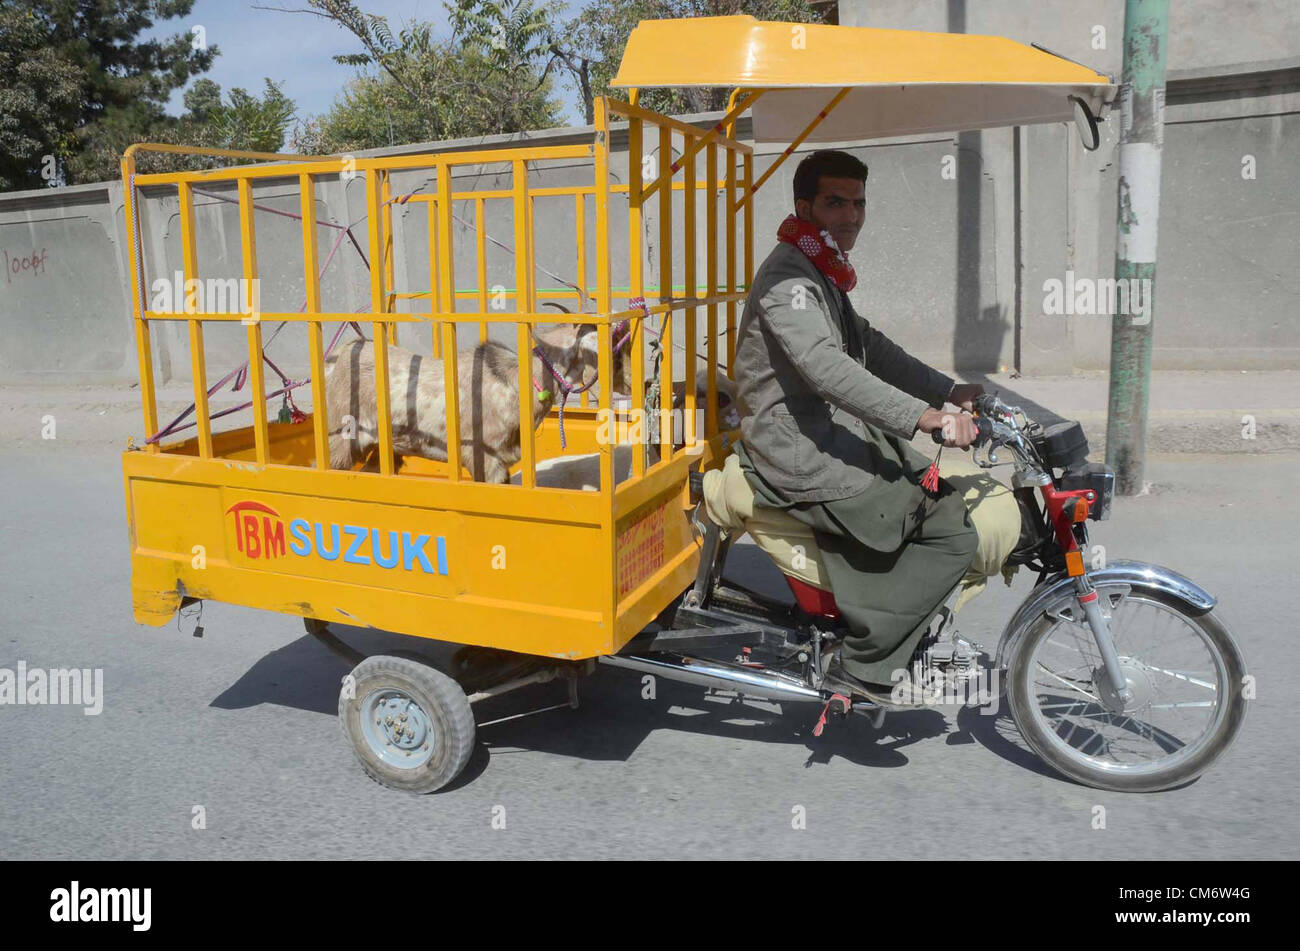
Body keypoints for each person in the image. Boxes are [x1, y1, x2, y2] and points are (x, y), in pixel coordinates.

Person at [731, 149, 1008, 704]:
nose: (852, 216)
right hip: (792, 446)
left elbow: (869, 347)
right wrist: (926, 418)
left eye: (858, 203)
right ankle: (865, 664)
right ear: (803, 205)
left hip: (821, 429)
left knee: (930, 486)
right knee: (950, 528)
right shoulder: (791, 277)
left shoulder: (821, 267)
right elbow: (825, 365)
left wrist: (947, 390)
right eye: (836, 202)